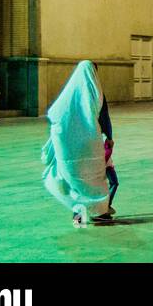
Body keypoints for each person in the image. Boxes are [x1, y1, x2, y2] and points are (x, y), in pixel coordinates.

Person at [41, 60, 115, 226]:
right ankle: (99, 212)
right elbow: (104, 118)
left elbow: (55, 116)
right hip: (90, 144)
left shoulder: (68, 95)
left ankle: (78, 213)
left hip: (69, 148)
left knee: (74, 179)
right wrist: (109, 137)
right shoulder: (97, 93)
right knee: (94, 179)